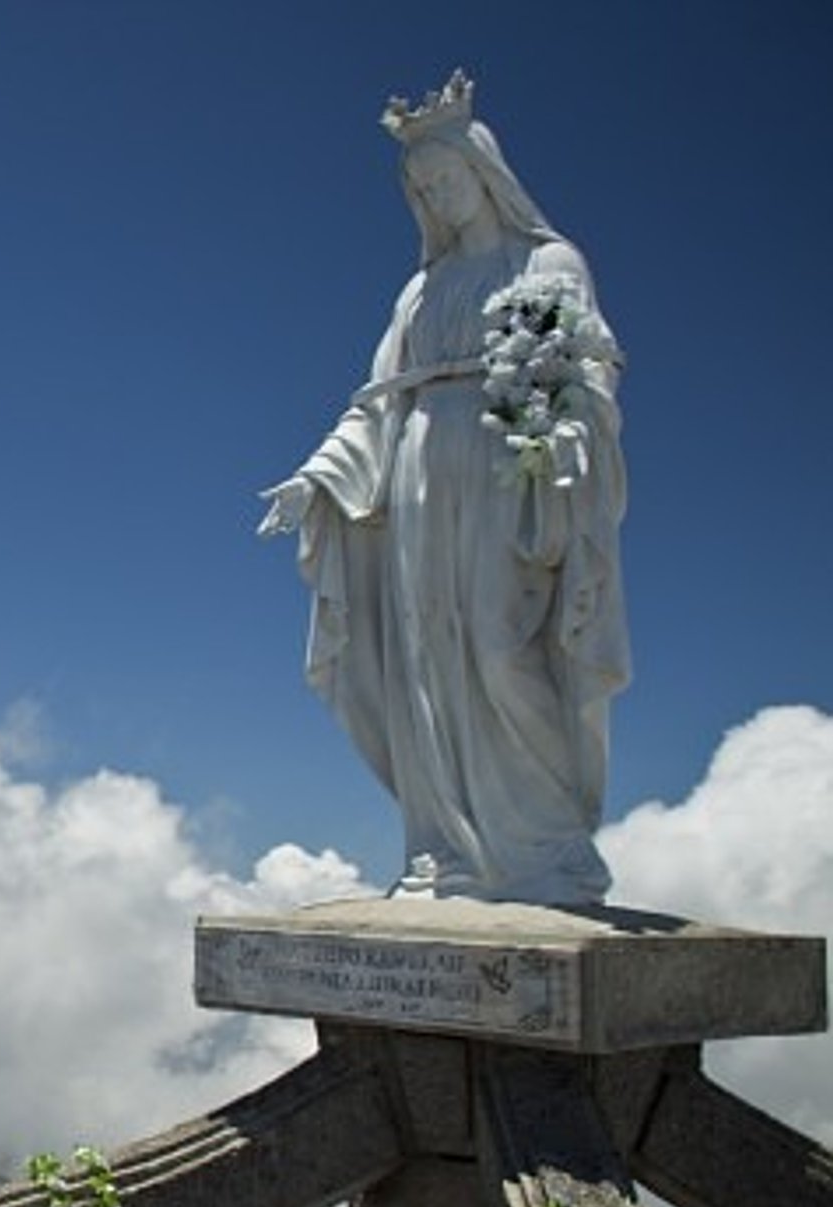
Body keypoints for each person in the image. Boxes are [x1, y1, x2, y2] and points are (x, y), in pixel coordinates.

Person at [257, 72, 628, 905]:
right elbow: (378, 398)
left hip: (506, 473)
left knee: (501, 645)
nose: (437, 196)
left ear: (483, 172)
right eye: (421, 188)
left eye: (447, 179)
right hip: (420, 473)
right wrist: (319, 477)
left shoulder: (546, 261)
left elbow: (590, 368)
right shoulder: (419, 292)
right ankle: (449, 851)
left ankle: (546, 844)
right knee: (428, 655)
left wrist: (568, 430)